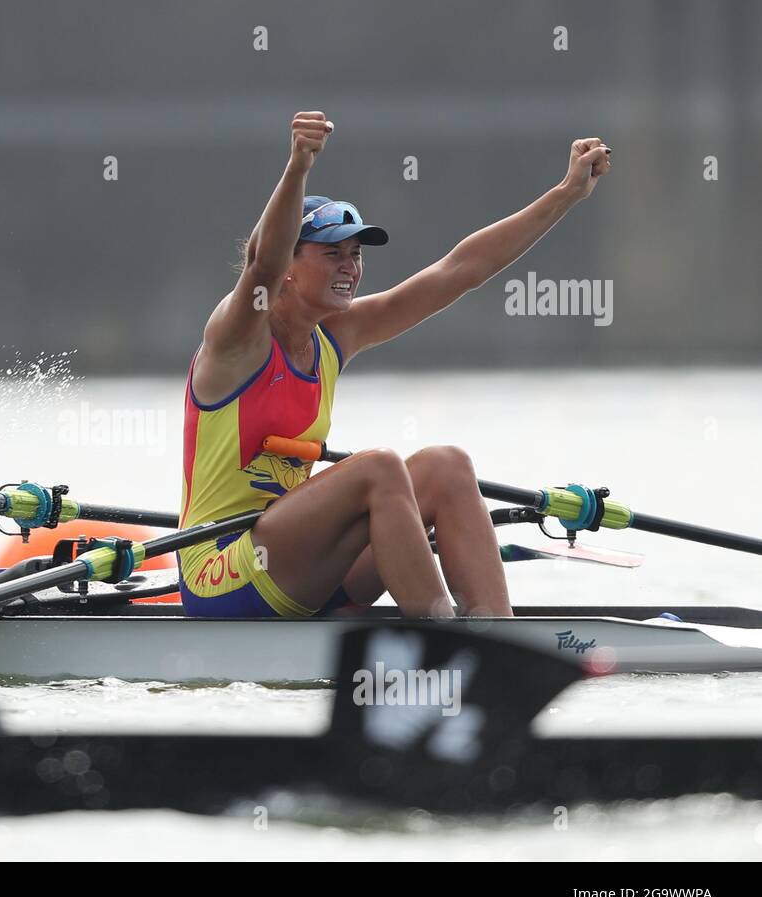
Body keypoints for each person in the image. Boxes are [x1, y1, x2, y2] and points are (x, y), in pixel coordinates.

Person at [178, 111, 610, 619]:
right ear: (290, 271)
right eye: (332, 253)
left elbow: (459, 270)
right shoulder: (238, 338)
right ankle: (442, 635)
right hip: (221, 572)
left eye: (355, 254)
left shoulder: (338, 336)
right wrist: (298, 167)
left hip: (304, 566)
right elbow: (260, 263)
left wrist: (564, 193)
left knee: (447, 466)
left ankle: (496, 632)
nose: (351, 266)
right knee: (379, 467)